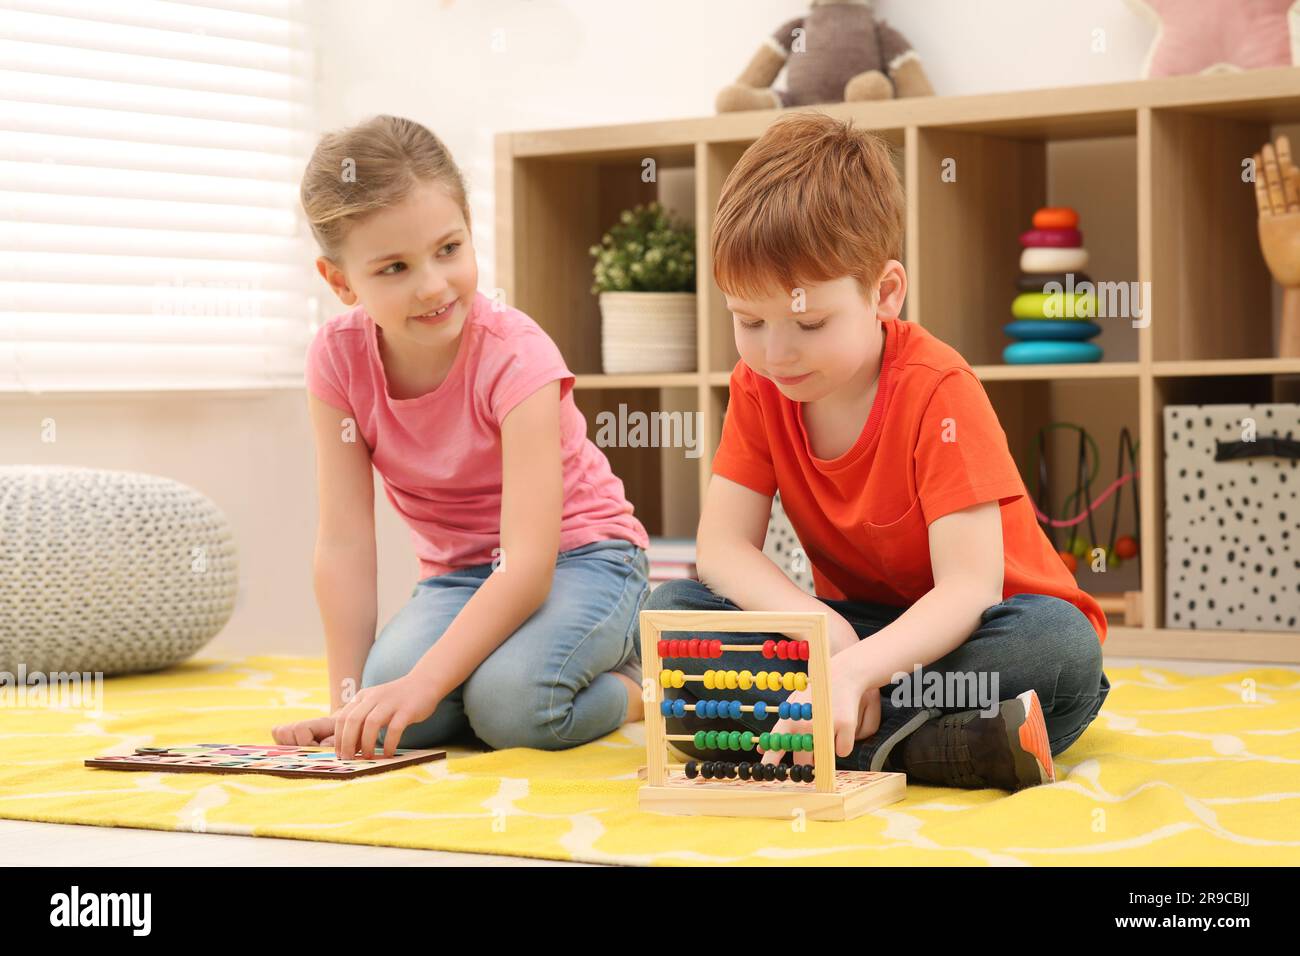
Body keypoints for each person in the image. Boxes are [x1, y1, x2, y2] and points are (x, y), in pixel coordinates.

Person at [640, 112, 1110, 791]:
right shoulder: (760, 384)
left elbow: (968, 589)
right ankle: (928, 748)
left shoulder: (938, 389)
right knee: (671, 614)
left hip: (982, 627)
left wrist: (857, 672)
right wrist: (823, 633)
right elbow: (721, 548)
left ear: (884, 294)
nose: (776, 352)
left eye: (808, 322)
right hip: (856, 628)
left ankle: (828, 740)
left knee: (1059, 648)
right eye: (749, 321)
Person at [273, 115, 649, 760]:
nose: (432, 285)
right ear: (340, 282)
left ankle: (641, 687)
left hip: (582, 559)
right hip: (458, 577)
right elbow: (343, 544)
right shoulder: (336, 360)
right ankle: (466, 681)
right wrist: (350, 706)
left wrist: (425, 681)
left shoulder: (516, 355)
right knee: (392, 717)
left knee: (515, 709)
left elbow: (528, 567)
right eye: (393, 267)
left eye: (449, 249)